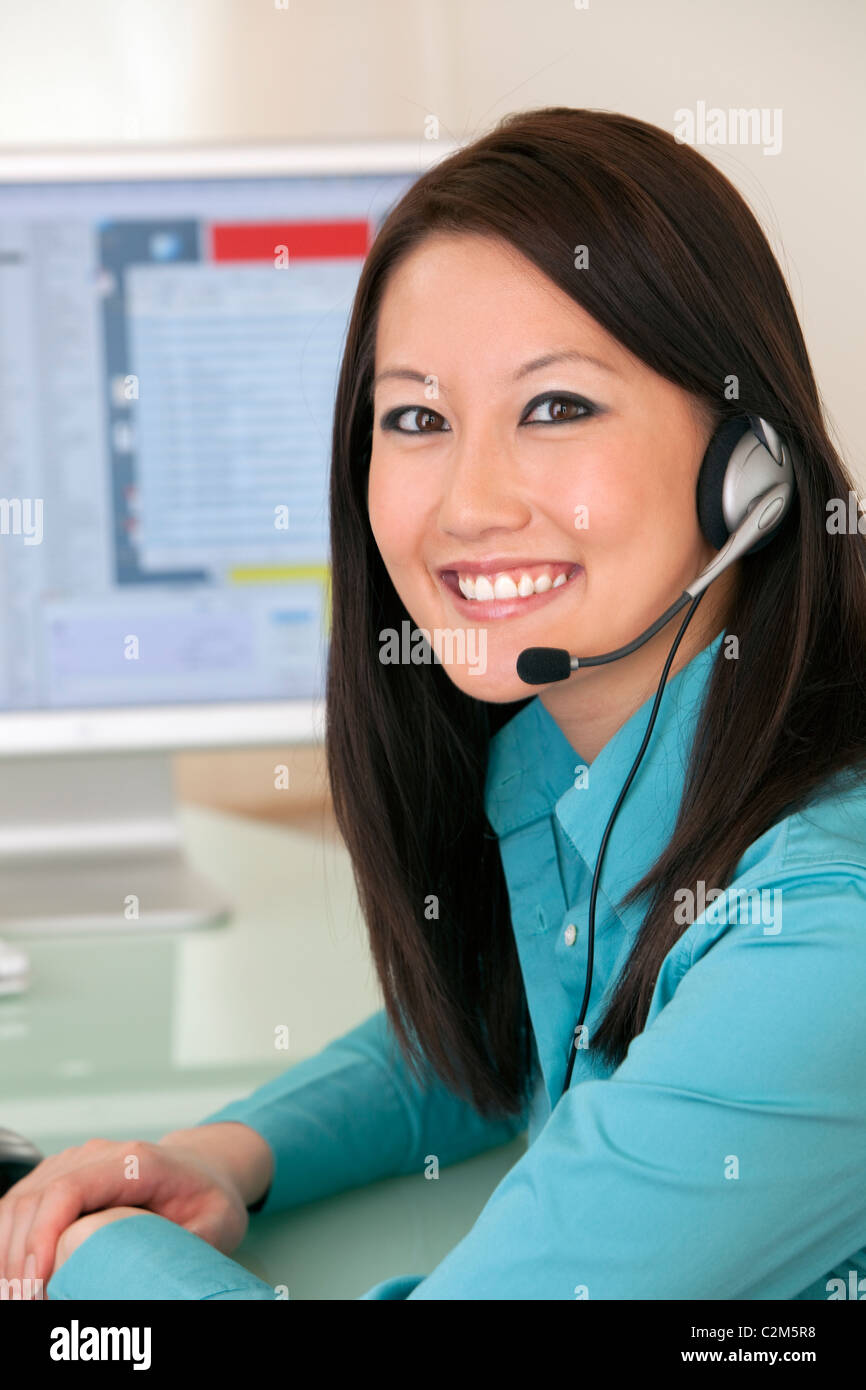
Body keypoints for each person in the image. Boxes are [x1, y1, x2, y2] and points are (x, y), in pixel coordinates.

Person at [3, 106, 866, 1301]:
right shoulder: (584, 768)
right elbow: (505, 1033)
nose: (465, 502)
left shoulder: (825, 936)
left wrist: (86, 1261)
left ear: (747, 470)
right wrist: (234, 1153)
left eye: (555, 407)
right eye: (416, 418)